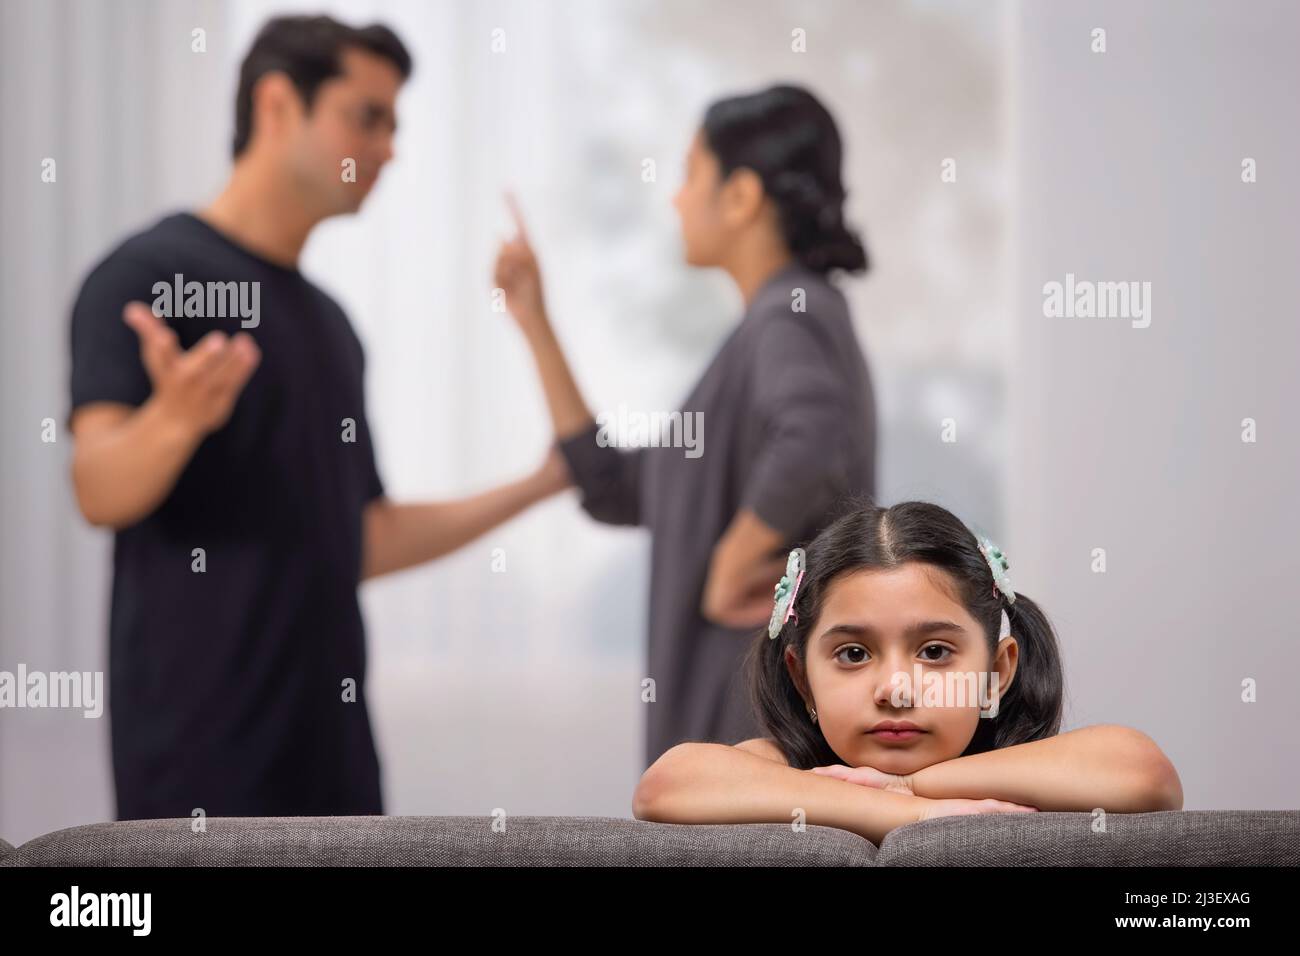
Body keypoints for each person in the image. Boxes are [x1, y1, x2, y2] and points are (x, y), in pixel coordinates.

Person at [67, 15, 569, 820]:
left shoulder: (331, 327)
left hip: (337, 780)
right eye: (366, 117)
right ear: (275, 106)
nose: (387, 149)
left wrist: (541, 484)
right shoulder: (147, 274)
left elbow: (360, 538)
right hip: (199, 783)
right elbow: (97, 488)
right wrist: (176, 418)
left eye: (396, 125)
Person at [494, 85, 877, 766]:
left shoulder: (787, 314)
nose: (675, 198)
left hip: (752, 742)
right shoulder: (772, 329)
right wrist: (535, 320)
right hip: (736, 743)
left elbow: (814, 440)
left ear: (741, 196)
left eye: (690, 172)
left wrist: (733, 560)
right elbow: (616, 486)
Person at [632, 500, 1184, 844]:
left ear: (995, 672)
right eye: (853, 654)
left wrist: (908, 784)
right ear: (803, 679)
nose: (895, 689)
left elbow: (1145, 774)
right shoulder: (791, 766)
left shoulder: (1030, 768)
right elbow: (666, 785)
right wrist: (916, 816)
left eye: (935, 653)